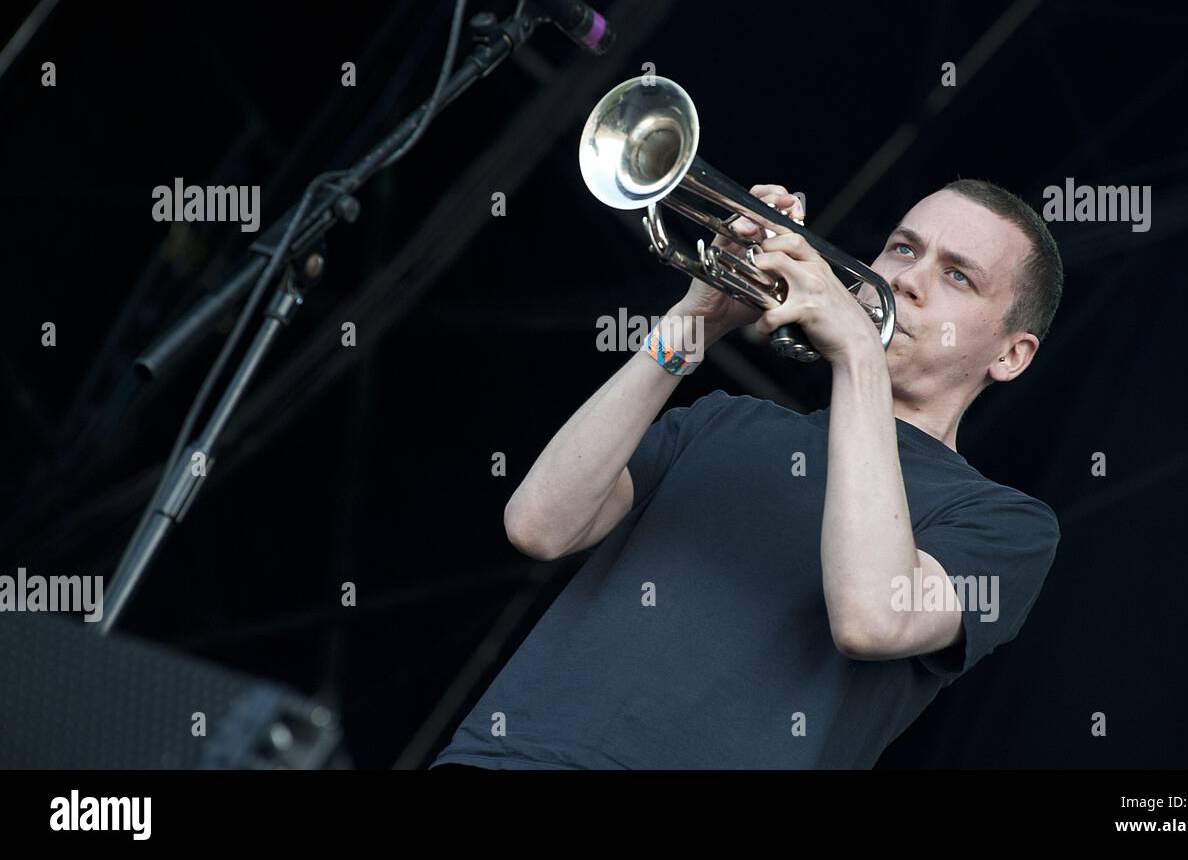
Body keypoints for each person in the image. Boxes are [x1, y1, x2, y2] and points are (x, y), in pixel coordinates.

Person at [430, 178, 1064, 769]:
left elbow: (872, 617)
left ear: (1011, 355)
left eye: (957, 275)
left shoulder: (1008, 525)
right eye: (903, 248)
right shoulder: (722, 421)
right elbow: (540, 525)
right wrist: (696, 318)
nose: (906, 280)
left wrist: (858, 360)